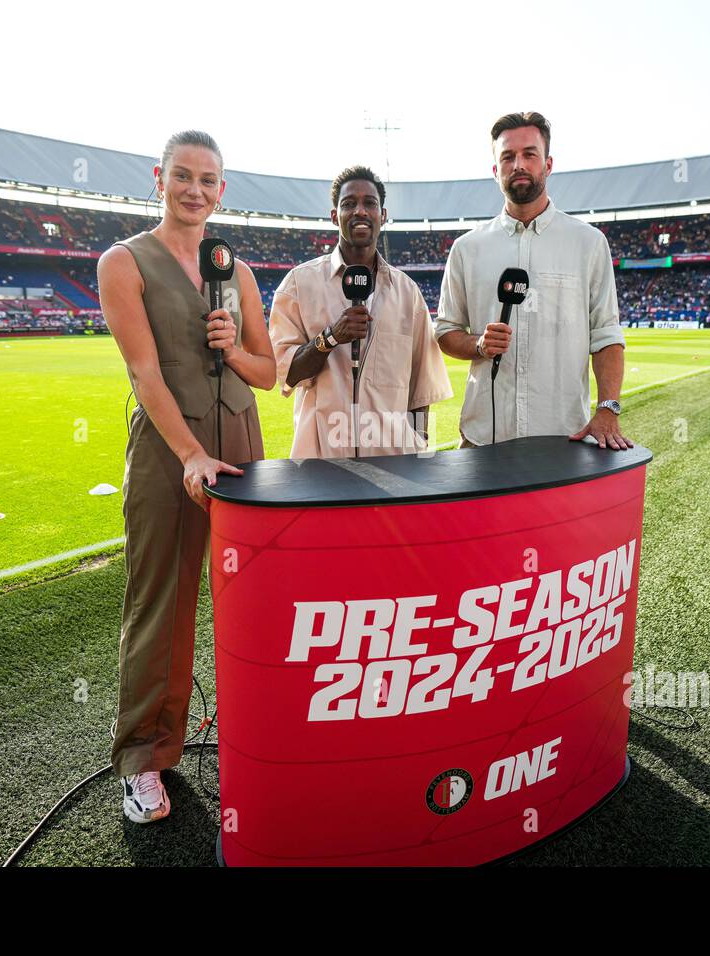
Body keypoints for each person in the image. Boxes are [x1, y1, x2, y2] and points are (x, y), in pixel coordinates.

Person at [97, 130, 276, 824]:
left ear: (221, 191)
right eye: (183, 175)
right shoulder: (125, 261)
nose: (194, 189)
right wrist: (190, 456)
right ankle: (145, 759)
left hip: (243, 440)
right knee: (161, 604)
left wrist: (234, 350)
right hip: (170, 454)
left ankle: (256, 735)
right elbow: (144, 373)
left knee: (254, 599)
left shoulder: (238, 270)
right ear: (159, 178)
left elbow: (270, 373)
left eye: (207, 179)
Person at [435, 111, 630, 449]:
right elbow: (446, 332)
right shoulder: (467, 248)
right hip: (483, 437)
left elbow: (606, 333)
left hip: (563, 436)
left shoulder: (588, 242)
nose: (519, 164)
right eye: (507, 157)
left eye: (529, 154)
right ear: (496, 171)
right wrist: (478, 344)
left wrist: (608, 408)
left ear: (548, 164)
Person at [269, 166, 451, 458]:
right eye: (348, 204)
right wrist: (328, 338)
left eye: (370, 203)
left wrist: (419, 446)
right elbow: (287, 374)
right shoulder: (297, 285)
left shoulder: (409, 294)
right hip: (321, 462)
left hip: (392, 462)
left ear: (383, 215)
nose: (360, 211)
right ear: (334, 216)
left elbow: (421, 390)